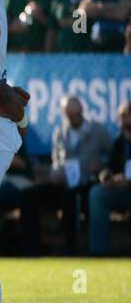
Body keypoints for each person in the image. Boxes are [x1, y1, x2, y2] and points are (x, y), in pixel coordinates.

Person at [22, 96, 114, 254]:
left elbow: (113, 156)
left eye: (77, 114)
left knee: (70, 198)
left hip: (88, 182)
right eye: (70, 115)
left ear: (82, 111)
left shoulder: (98, 130)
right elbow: (56, 161)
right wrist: (56, 173)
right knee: (28, 196)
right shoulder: (60, 132)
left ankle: (72, 249)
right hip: (65, 183)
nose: (75, 118)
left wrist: (102, 166)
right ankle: (32, 249)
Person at [89, 102, 131, 255]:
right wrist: (106, 175)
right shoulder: (119, 142)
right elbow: (111, 167)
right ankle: (99, 252)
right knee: (97, 193)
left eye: (127, 117)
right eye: (121, 118)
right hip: (121, 191)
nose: (124, 122)